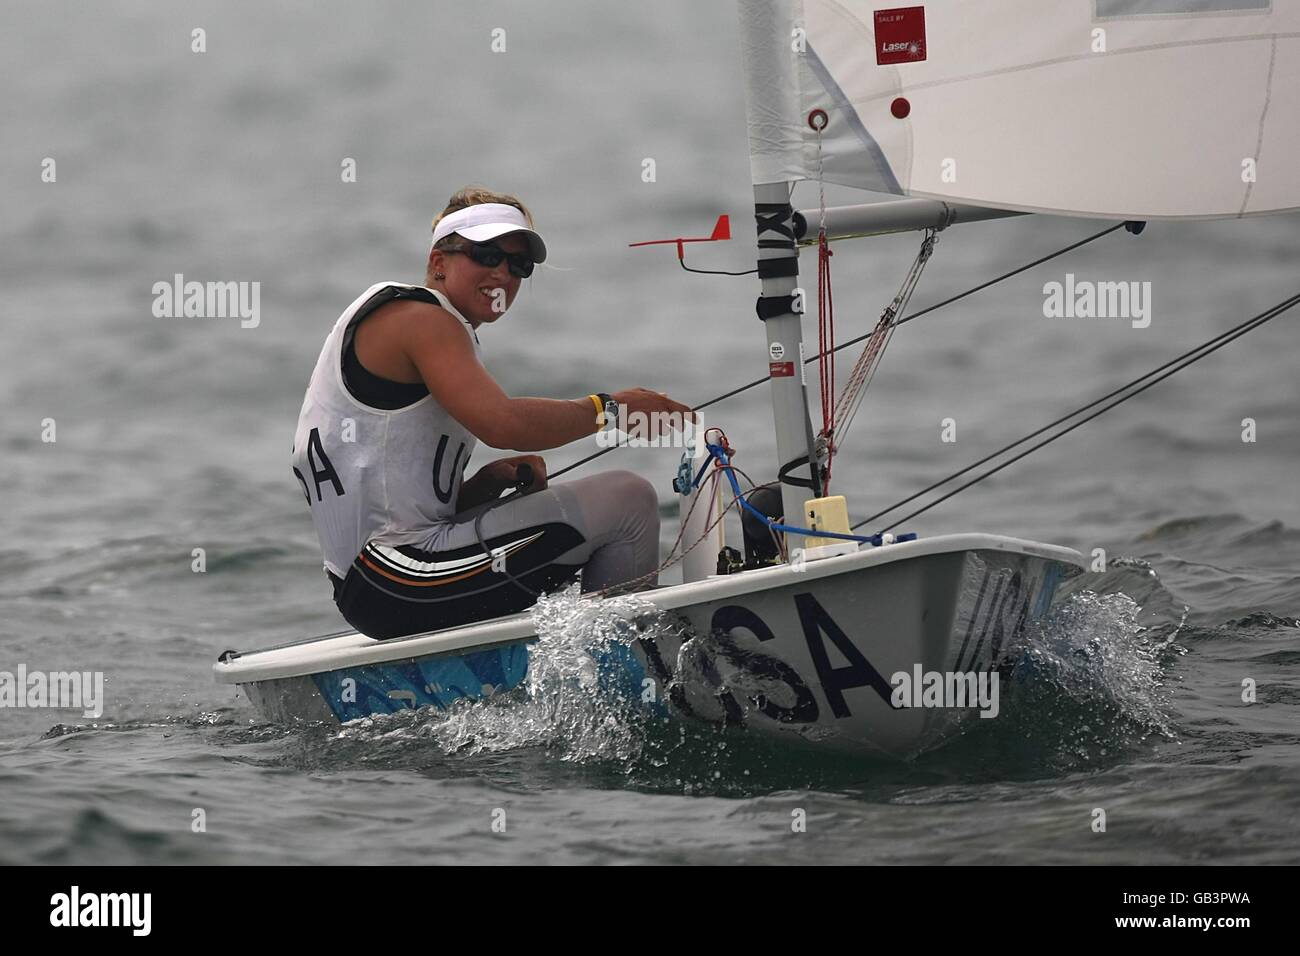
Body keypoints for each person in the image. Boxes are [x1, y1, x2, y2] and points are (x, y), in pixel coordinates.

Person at [291, 186, 694, 639]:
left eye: (518, 265)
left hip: (370, 587)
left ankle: (589, 659)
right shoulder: (421, 319)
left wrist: (482, 486)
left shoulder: (412, 322)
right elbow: (503, 424)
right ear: (438, 262)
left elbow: (381, 501)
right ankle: (621, 679)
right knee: (629, 501)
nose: (503, 274)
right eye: (486, 255)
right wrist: (613, 408)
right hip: (397, 578)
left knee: (613, 503)